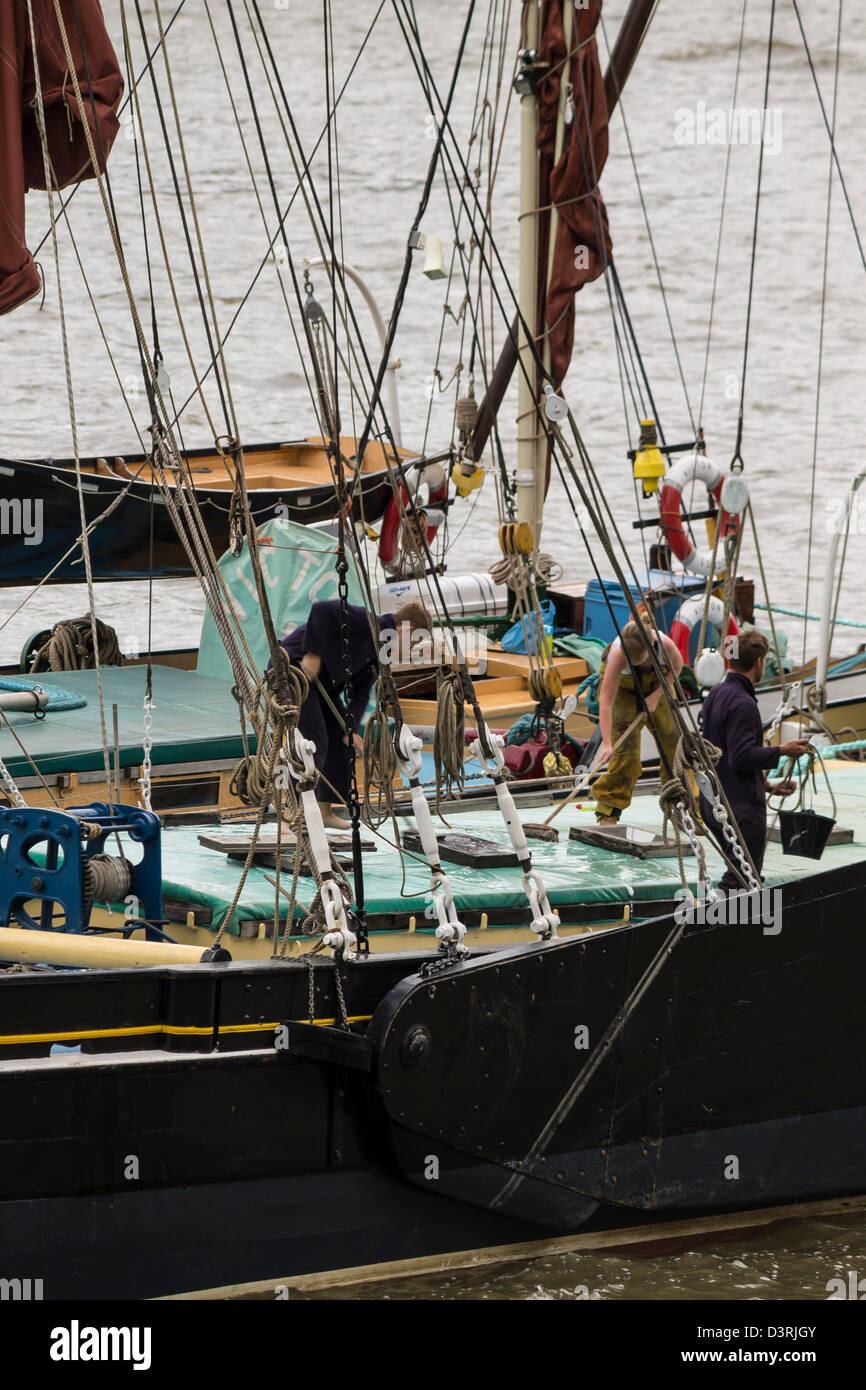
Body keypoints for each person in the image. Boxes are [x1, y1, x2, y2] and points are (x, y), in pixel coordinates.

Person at [278, 598, 432, 828]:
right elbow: (320, 610)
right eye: (414, 641)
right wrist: (313, 653)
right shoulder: (366, 621)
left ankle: (323, 811)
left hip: (322, 684)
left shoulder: (381, 653)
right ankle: (290, 815)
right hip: (294, 669)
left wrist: (351, 730)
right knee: (313, 740)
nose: (411, 649)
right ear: (406, 629)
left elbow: (360, 693)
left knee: (341, 742)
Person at [698, 628, 810, 892]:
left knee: (739, 873)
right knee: (743, 878)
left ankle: (721, 923)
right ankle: (708, 924)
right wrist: (783, 750)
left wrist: (769, 786)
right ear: (759, 662)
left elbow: (722, 752)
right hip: (739, 810)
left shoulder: (716, 694)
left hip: (713, 802)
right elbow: (740, 756)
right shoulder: (743, 704)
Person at [593, 618, 684, 825]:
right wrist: (607, 744)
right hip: (623, 692)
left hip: (658, 685)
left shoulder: (664, 645)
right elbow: (606, 700)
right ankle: (609, 811)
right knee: (625, 753)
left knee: (675, 746)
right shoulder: (617, 654)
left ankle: (681, 806)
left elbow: (677, 669)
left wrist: (656, 696)